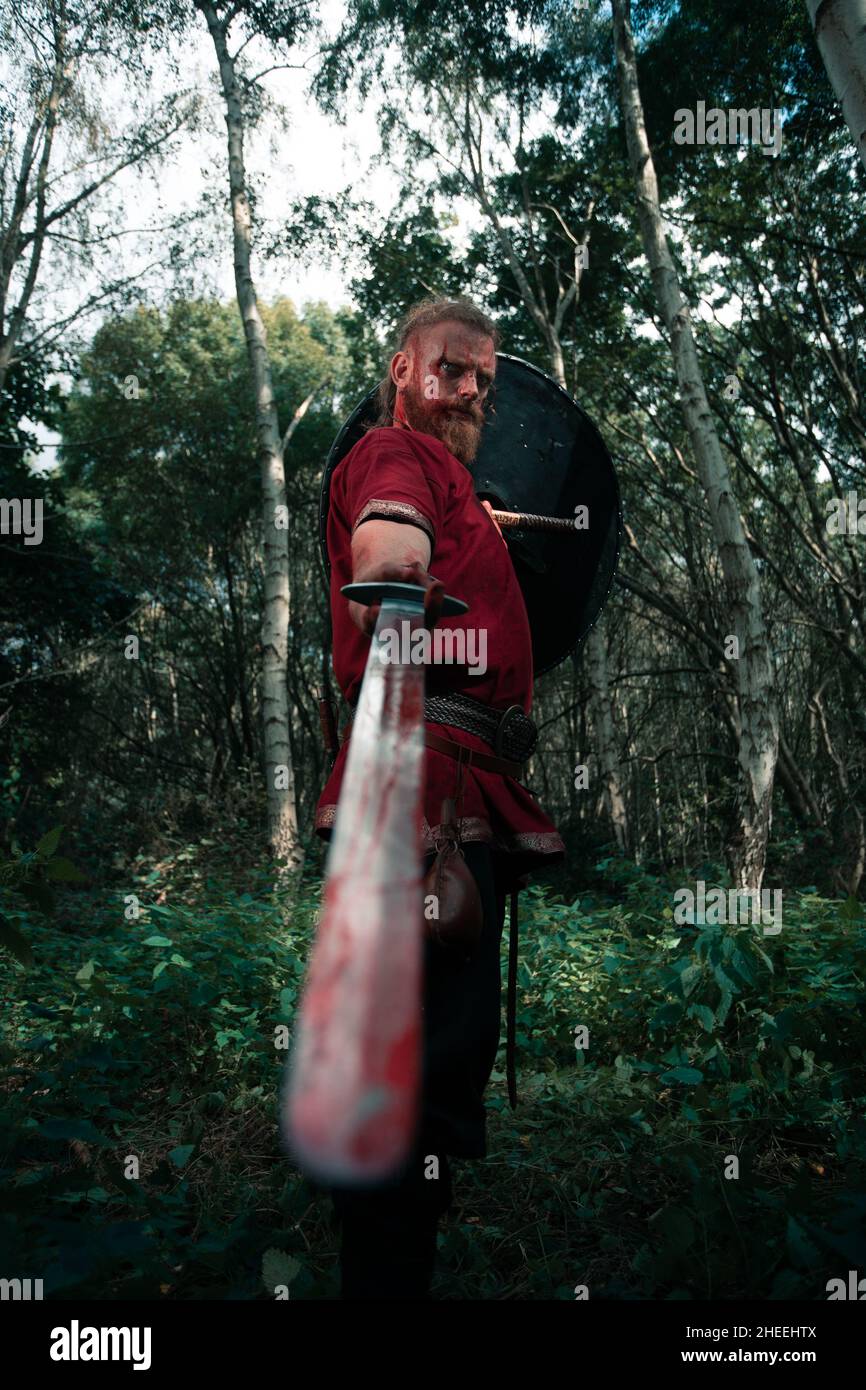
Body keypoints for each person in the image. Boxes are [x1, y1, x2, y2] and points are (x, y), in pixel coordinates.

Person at [314, 295, 565, 1299]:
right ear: (400, 369)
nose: (468, 392)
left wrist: (470, 519)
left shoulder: (443, 480)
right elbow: (385, 554)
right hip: (420, 796)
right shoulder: (395, 457)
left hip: (451, 795)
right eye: (449, 370)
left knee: (433, 1070)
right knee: (402, 1084)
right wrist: (407, 550)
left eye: (483, 381)